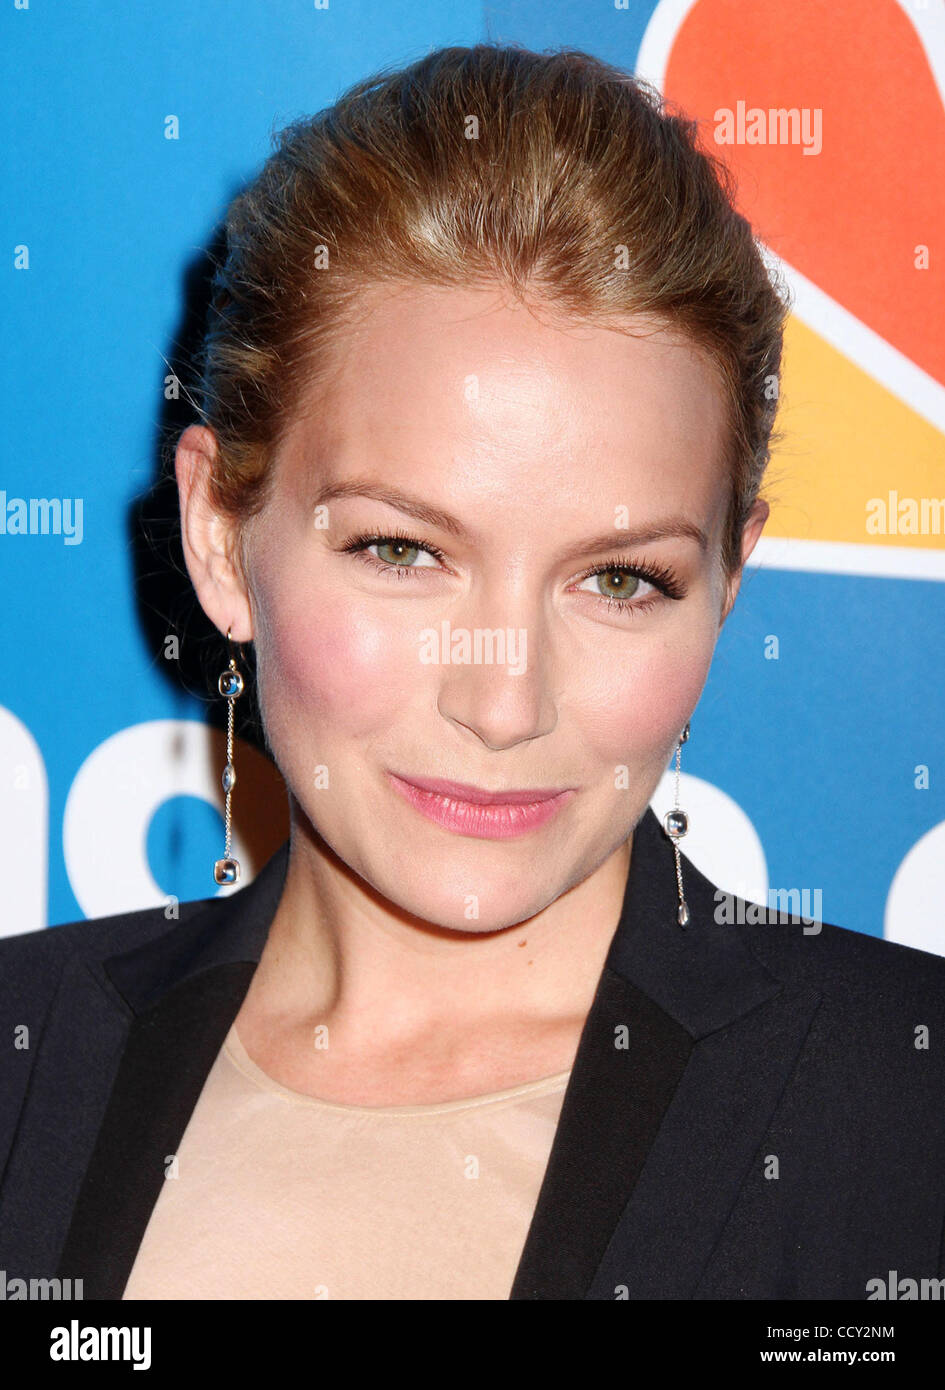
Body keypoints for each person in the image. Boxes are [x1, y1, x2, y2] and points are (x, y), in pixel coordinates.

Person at [2, 43, 944, 1303]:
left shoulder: (903, 1113)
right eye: (403, 550)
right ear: (223, 539)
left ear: (730, 582)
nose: (504, 704)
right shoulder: (26, 1066)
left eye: (621, 579)